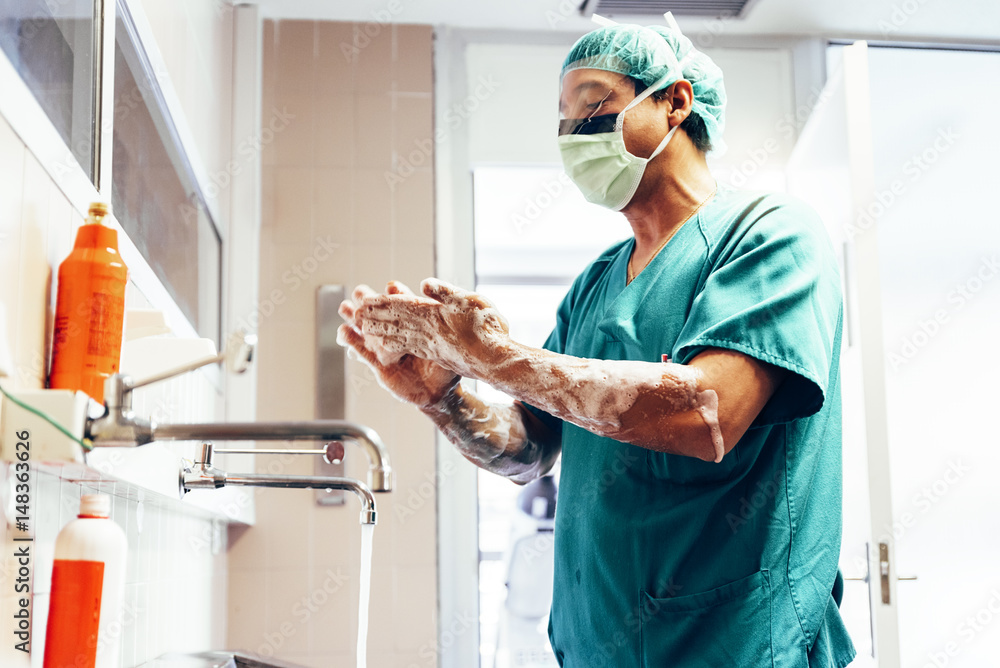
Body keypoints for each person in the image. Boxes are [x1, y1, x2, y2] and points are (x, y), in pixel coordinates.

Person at [338, 22, 857, 668]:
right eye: (563, 119)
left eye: (594, 104)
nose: (573, 135)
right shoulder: (594, 288)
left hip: (734, 648)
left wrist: (492, 354)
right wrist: (443, 397)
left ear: (676, 101)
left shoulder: (773, 235)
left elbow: (708, 414)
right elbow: (531, 449)